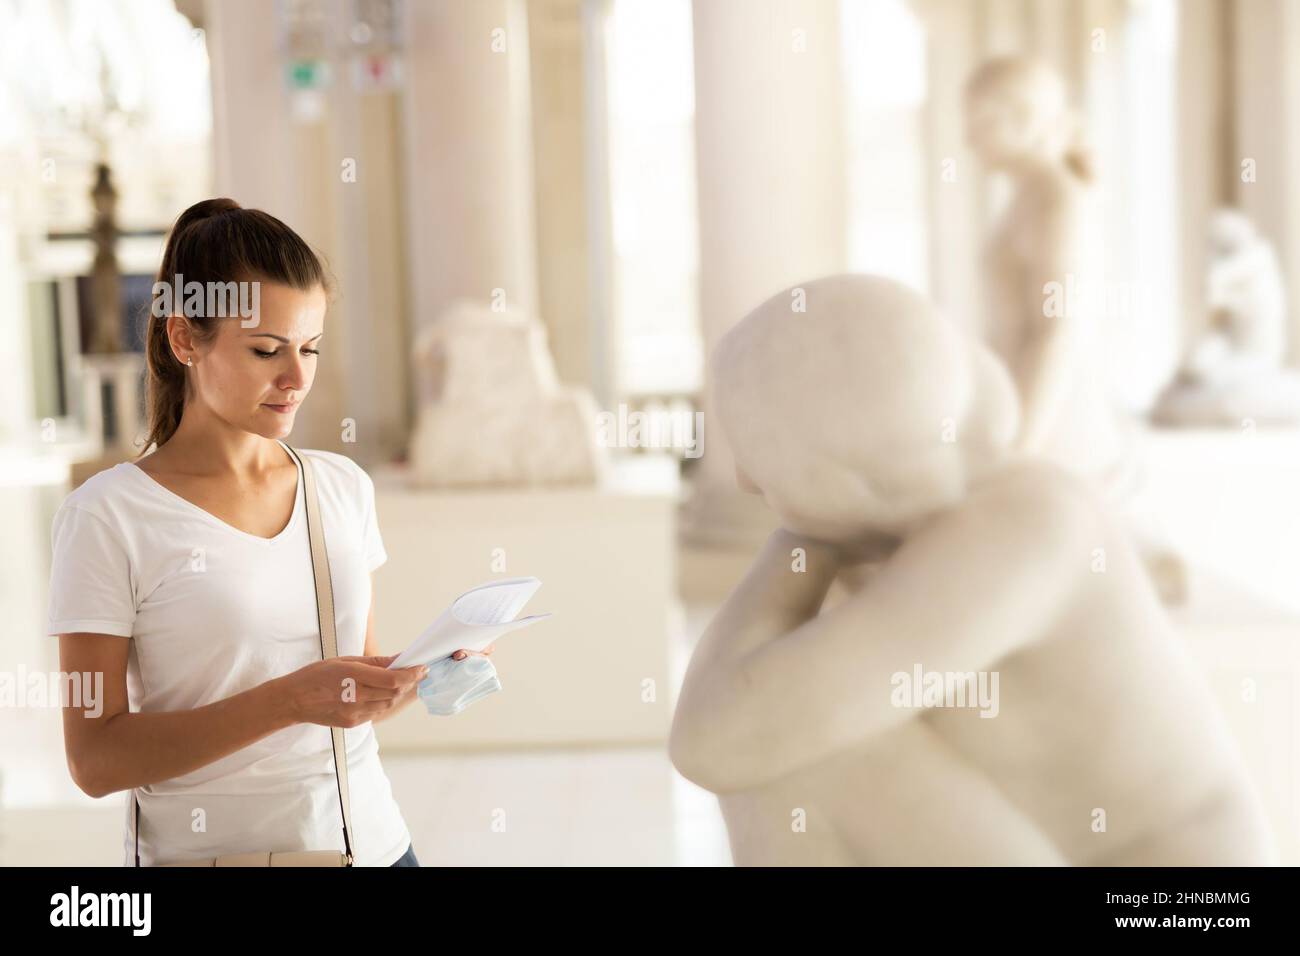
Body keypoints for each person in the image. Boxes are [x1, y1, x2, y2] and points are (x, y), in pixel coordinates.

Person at [669, 274, 1274, 865]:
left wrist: (798, 537)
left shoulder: (1025, 529)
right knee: (783, 734)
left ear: (841, 475)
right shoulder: (906, 526)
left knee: (790, 746)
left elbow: (710, 741)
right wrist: (808, 532)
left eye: (759, 458)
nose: (747, 483)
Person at [47, 197, 492, 866]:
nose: (297, 378)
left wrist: (420, 675)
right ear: (184, 339)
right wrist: (288, 700)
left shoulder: (340, 487)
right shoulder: (108, 518)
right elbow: (95, 760)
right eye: (266, 350)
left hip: (375, 847)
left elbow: (350, 690)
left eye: (310, 348)